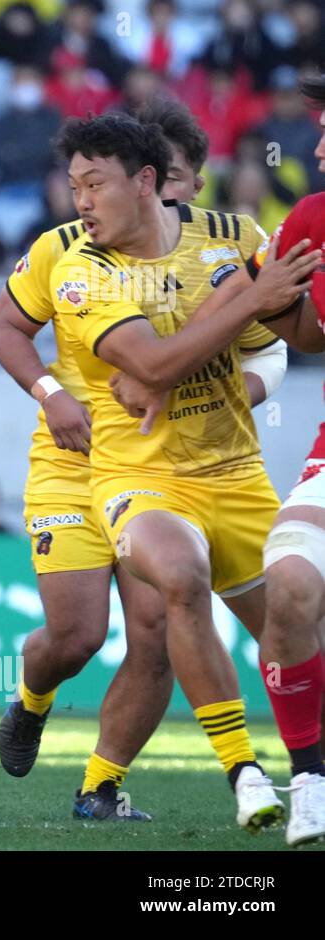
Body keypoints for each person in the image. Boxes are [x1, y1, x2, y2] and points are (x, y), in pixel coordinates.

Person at [0, 99, 291, 821]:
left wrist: (231, 382)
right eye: (78, 186)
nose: (82, 200)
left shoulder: (222, 242)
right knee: (78, 634)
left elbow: (272, 344)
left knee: (158, 624)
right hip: (78, 454)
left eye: (189, 179)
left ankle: (100, 786)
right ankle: (33, 698)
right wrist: (51, 393)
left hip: (189, 460)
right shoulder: (71, 254)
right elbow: (6, 325)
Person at [173, 73, 325, 847]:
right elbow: (307, 336)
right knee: (291, 585)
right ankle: (309, 779)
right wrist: (271, 300)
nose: (322, 147)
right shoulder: (309, 218)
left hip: (212, 473)